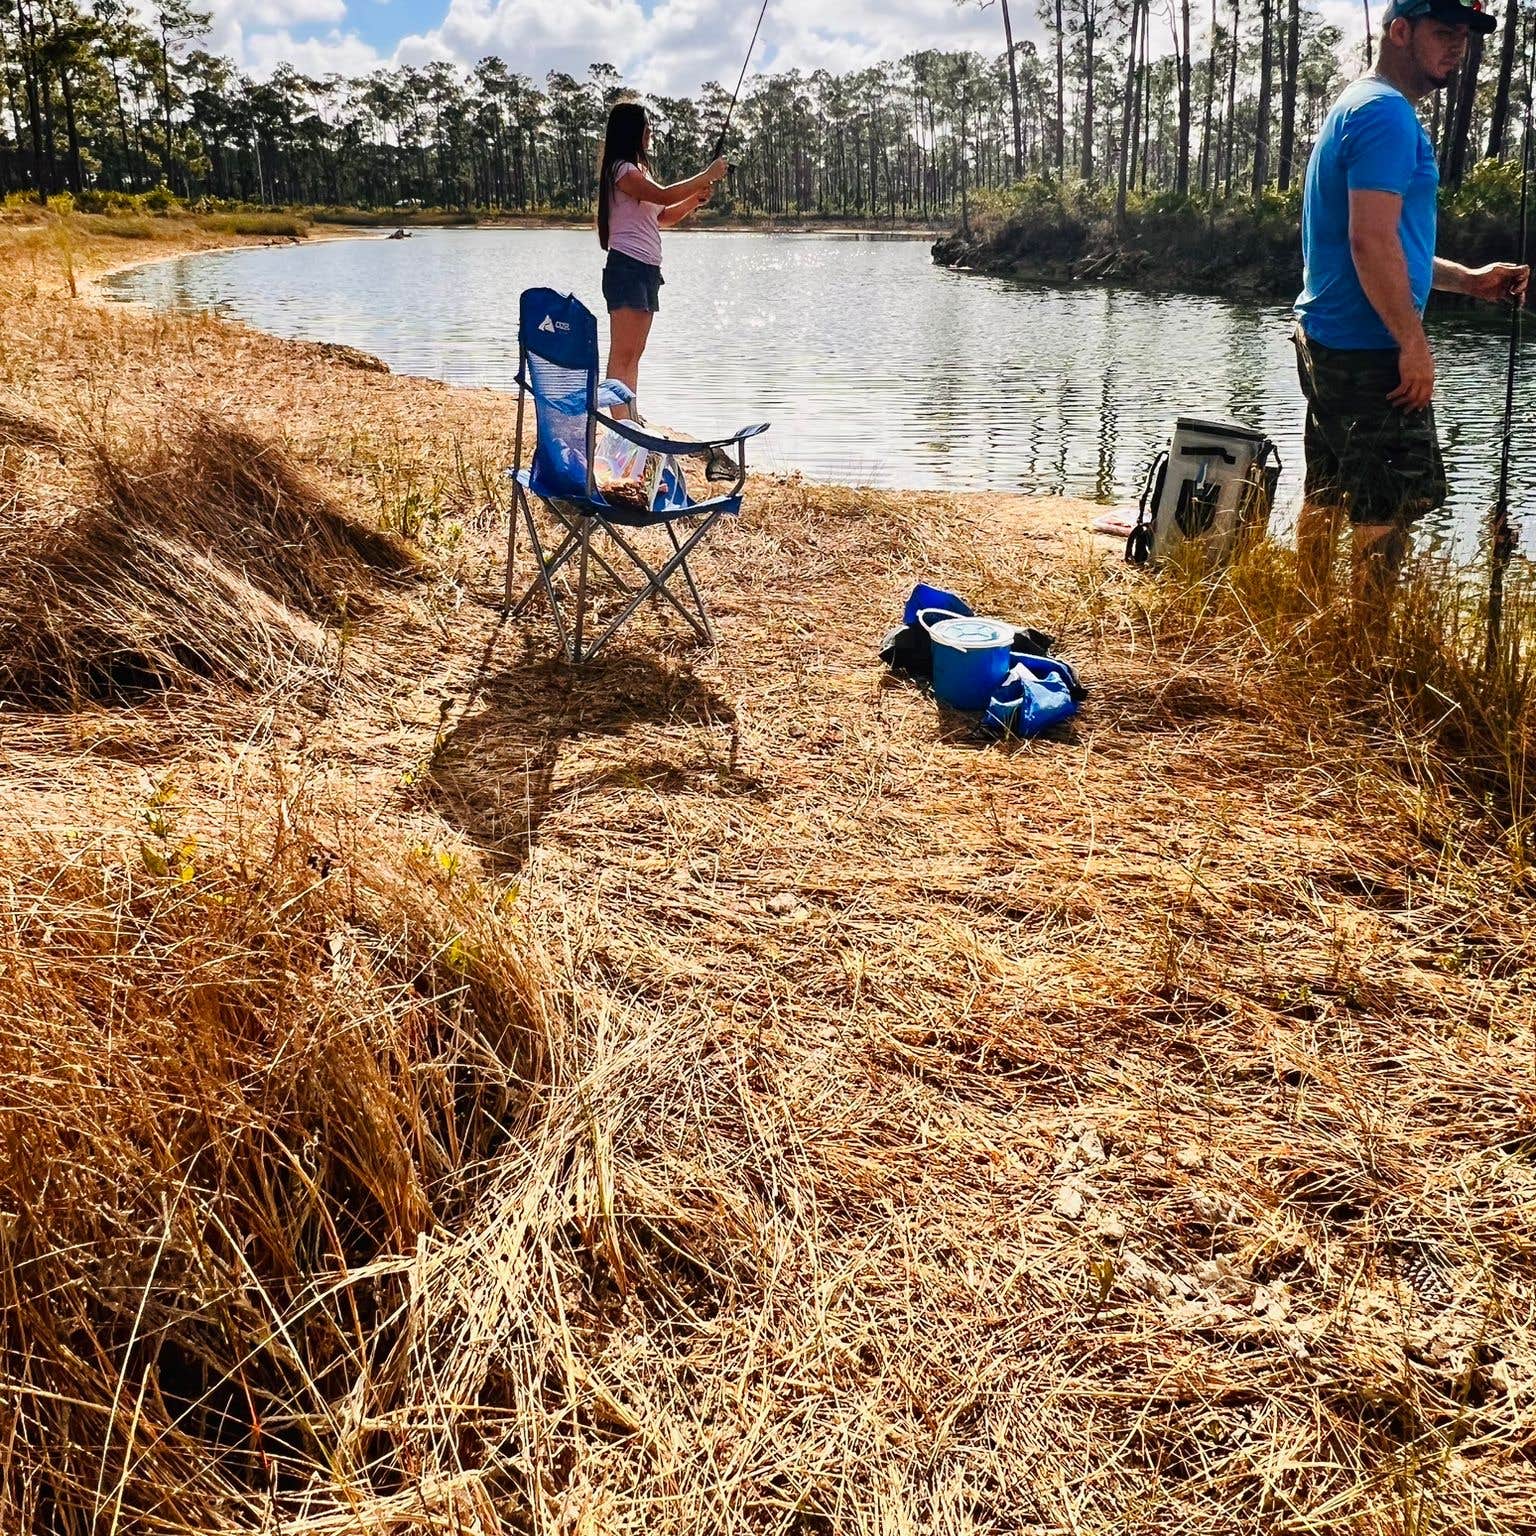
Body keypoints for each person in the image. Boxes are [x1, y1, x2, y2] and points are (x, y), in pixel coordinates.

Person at [1293, 0, 1529, 632]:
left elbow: (1385, 242)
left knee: (1331, 487)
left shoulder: (1357, 104)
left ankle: (1304, 621)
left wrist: (1469, 281)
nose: (1459, 47)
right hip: (1370, 348)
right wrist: (1412, 340)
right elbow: (1372, 243)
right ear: (1400, 30)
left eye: (1466, 36)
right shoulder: (1388, 117)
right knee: (1388, 504)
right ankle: (1365, 651)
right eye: (1444, 32)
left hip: (1327, 338)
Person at [597, 101, 727, 420]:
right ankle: (621, 421)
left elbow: (664, 215)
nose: (650, 132)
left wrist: (694, 200)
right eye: (647, 126)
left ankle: (631, 413)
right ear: (634, 131)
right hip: (626, 268)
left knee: (635, 352)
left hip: (646, 270)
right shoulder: (621, 170)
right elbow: (665, 194)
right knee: (622, 352)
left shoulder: (639, 172)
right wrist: (704, 176)